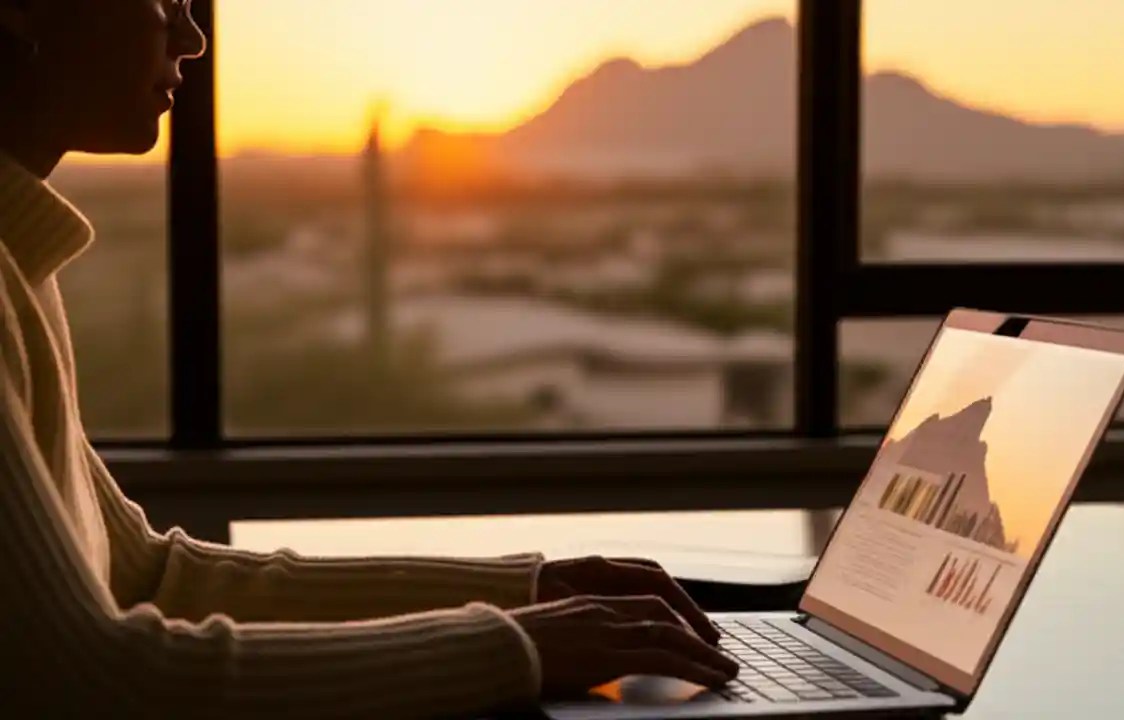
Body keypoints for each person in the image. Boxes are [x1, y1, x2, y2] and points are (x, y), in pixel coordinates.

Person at [0, 1, 737, 717]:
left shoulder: (20, 263)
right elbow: (89, 678)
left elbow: (152, 578)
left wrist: (533, 591)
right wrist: (517, 646)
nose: (191, 37)